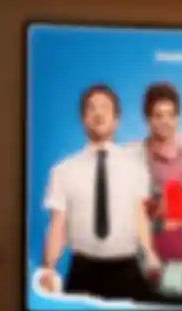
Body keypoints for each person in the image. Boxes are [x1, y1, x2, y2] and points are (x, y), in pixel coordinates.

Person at [39, 84, 160, 300]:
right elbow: (58, 224)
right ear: (83, 119)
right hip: (82, 271)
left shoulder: (136, 166)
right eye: (91, 108)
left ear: (117, 119)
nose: (98, 113)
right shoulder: (63, 170)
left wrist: (150, 253)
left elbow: (139, 215)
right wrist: (49, 267)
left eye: (104, 107)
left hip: (127, 268)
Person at [124, 82, 182, 264]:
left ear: (178, 118)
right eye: (158, 116)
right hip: (146, 246)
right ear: (148, 119)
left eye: (171, 115)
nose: (165, 122)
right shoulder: (133, 154)